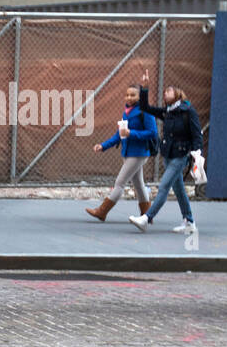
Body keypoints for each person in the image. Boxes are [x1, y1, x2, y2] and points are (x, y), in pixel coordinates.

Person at [128, 69, 202, 234]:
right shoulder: (167, 112)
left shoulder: (188, 111)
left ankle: (146, 218)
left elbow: (197, 135)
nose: (165, 93)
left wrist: (197, 155)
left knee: (163, 187)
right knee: (179, 190)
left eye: (168, 91)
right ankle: (189, 222)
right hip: (168, 155)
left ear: (177, 94)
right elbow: (145, 107)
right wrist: (145, 88)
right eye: (164, 91)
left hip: (181, 156)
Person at [84, 83, 158, 221]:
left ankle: (102, 212)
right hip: (128, 152)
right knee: (139, 185)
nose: (129, 97)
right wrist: (103, 145)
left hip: (139, 153)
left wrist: (131, 133)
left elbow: (152, 133)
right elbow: (120, 134)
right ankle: (147, 215)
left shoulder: (145, 111)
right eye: (127, 95)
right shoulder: (127, 111)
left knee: (119, 183)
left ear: (139, 96)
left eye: (133, 95)